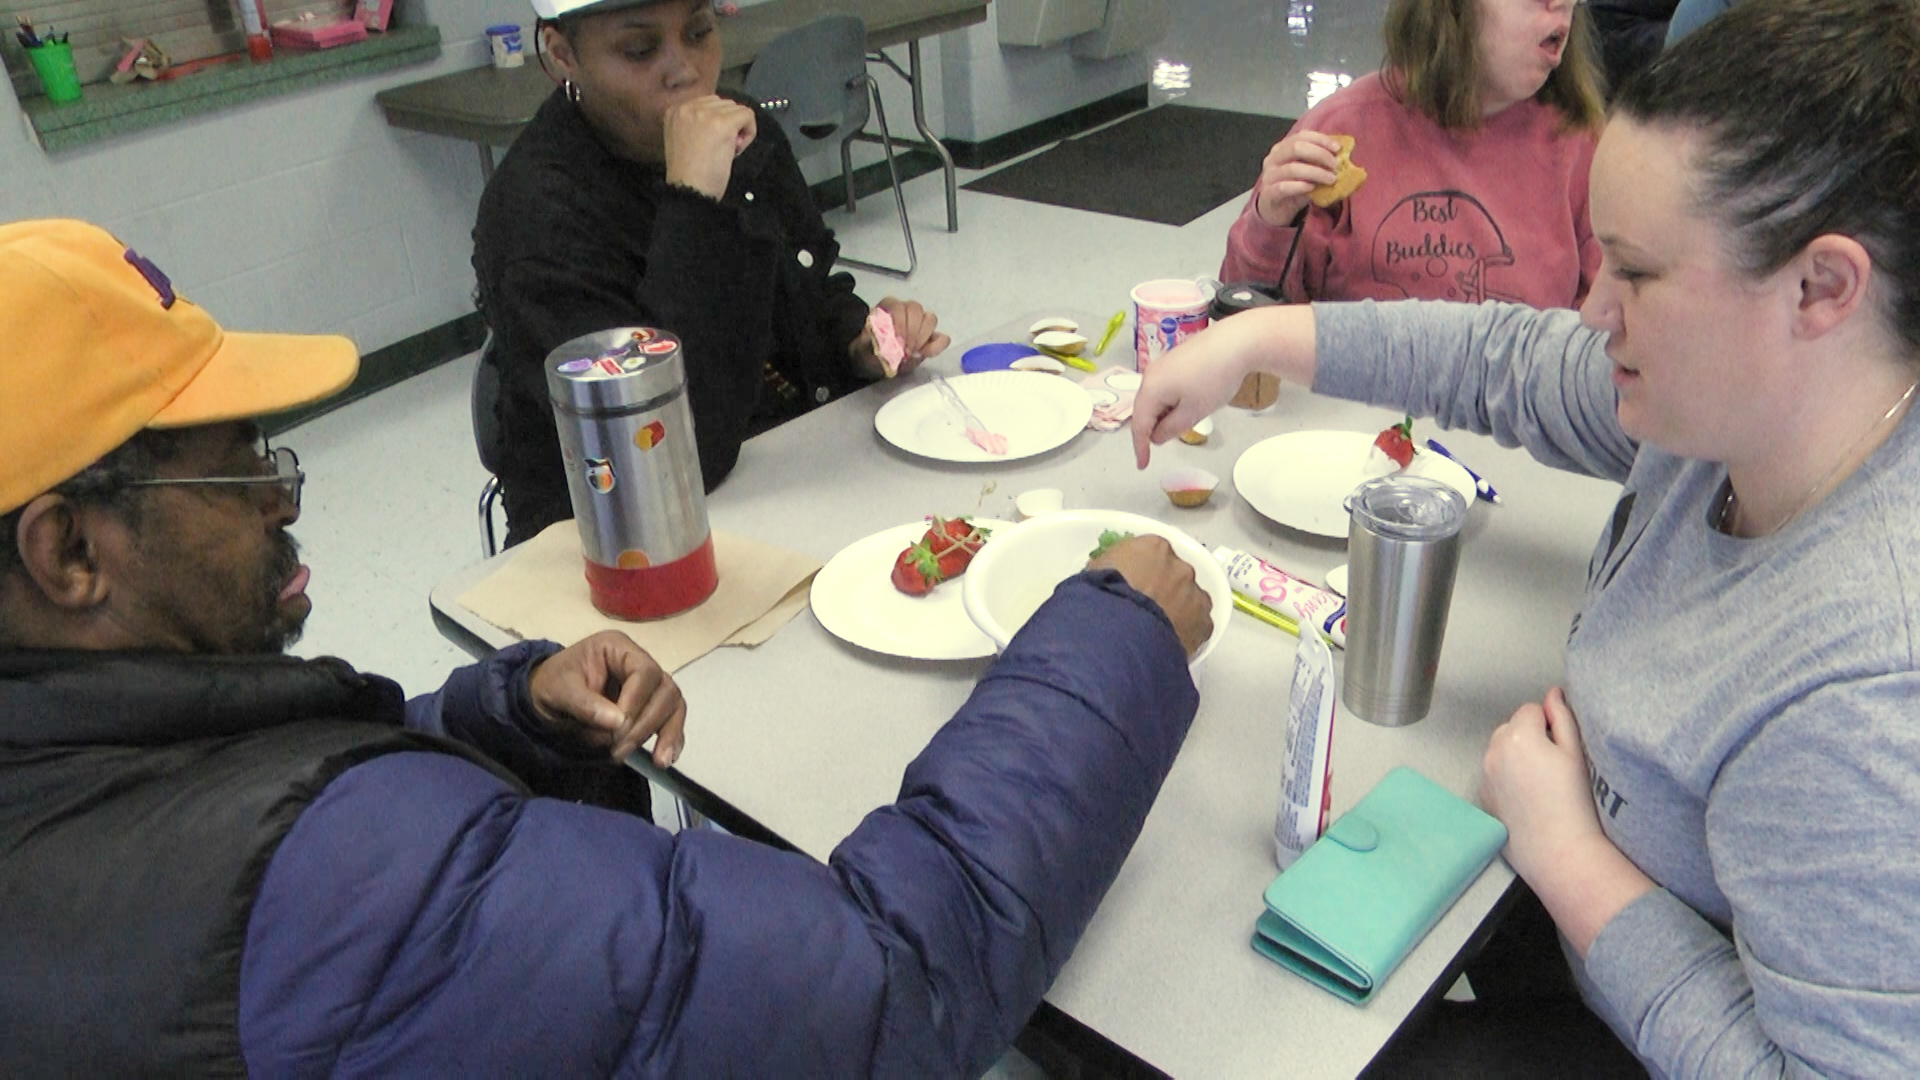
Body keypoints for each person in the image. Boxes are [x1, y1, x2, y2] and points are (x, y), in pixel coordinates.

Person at [0, 219, 1212, 1074]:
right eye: (238, 466)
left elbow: (265, 793)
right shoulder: (337, 892)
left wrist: (505, 714)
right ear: (69, 552)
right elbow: (890, 985)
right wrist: (1113, 641)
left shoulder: (82, 776)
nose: (282, 495)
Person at [1137, 0, 1920, 1073]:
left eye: (1636, 272)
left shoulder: (1868, 686)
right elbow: (1497, 356)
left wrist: (1572, 860)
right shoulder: (1737, 406)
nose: (1594, 307)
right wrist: (1262, 335)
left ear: (1821, 287)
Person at [472, 0, 952, 548]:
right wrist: (693, 200)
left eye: (699, 31)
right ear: (563, 56)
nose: (685, 71)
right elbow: (668, 454)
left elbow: (801, 286)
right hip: (619, 535)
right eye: (640, 50)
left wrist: (857, 341)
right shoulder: (537, 214)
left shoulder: (743, 128)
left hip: (772, 476)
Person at [1220, 0, 1606, 309]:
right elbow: (1247, 317)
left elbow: (1609, 342)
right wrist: (1270, 224)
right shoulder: (1339, 130)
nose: (1561, 4)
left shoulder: (1582, 149)